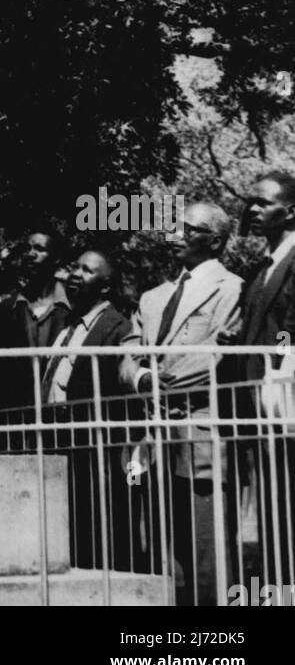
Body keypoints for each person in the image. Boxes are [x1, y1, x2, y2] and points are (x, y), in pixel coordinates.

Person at [120, 201, 241, 605]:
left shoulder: (233, 289)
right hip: (153, 440)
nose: (174, 235)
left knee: (207, 560)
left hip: (201, 436)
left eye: (187, 229)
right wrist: (142, 378)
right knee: (160, 556)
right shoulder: (153, 297)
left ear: (216, 240)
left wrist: (163, 386)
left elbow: (219, 356)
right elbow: (127, 354)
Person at [42, 246, 132, 570]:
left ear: (106, 287)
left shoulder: (118, 327)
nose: (75, 275)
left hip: (96, 451)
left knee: (101, 540)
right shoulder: (67, 325)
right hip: (61, 447)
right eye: (75, 267)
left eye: (87, 270)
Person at [231, 172, 295, 587]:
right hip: (257, 402)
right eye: (250, 202)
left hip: (285, 396)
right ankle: (278, 584)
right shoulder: (260, 267)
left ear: (289, 211)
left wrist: (282, 359)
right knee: (273, 498)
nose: (252, 209)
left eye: (263, 203)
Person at [0, 232, 70, 441]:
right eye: (28, 249)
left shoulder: (74, 311)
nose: (30, 255)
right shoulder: (4, 312)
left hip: (63, 428)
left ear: (57, 259)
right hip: (16, 431)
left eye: (40, 249)